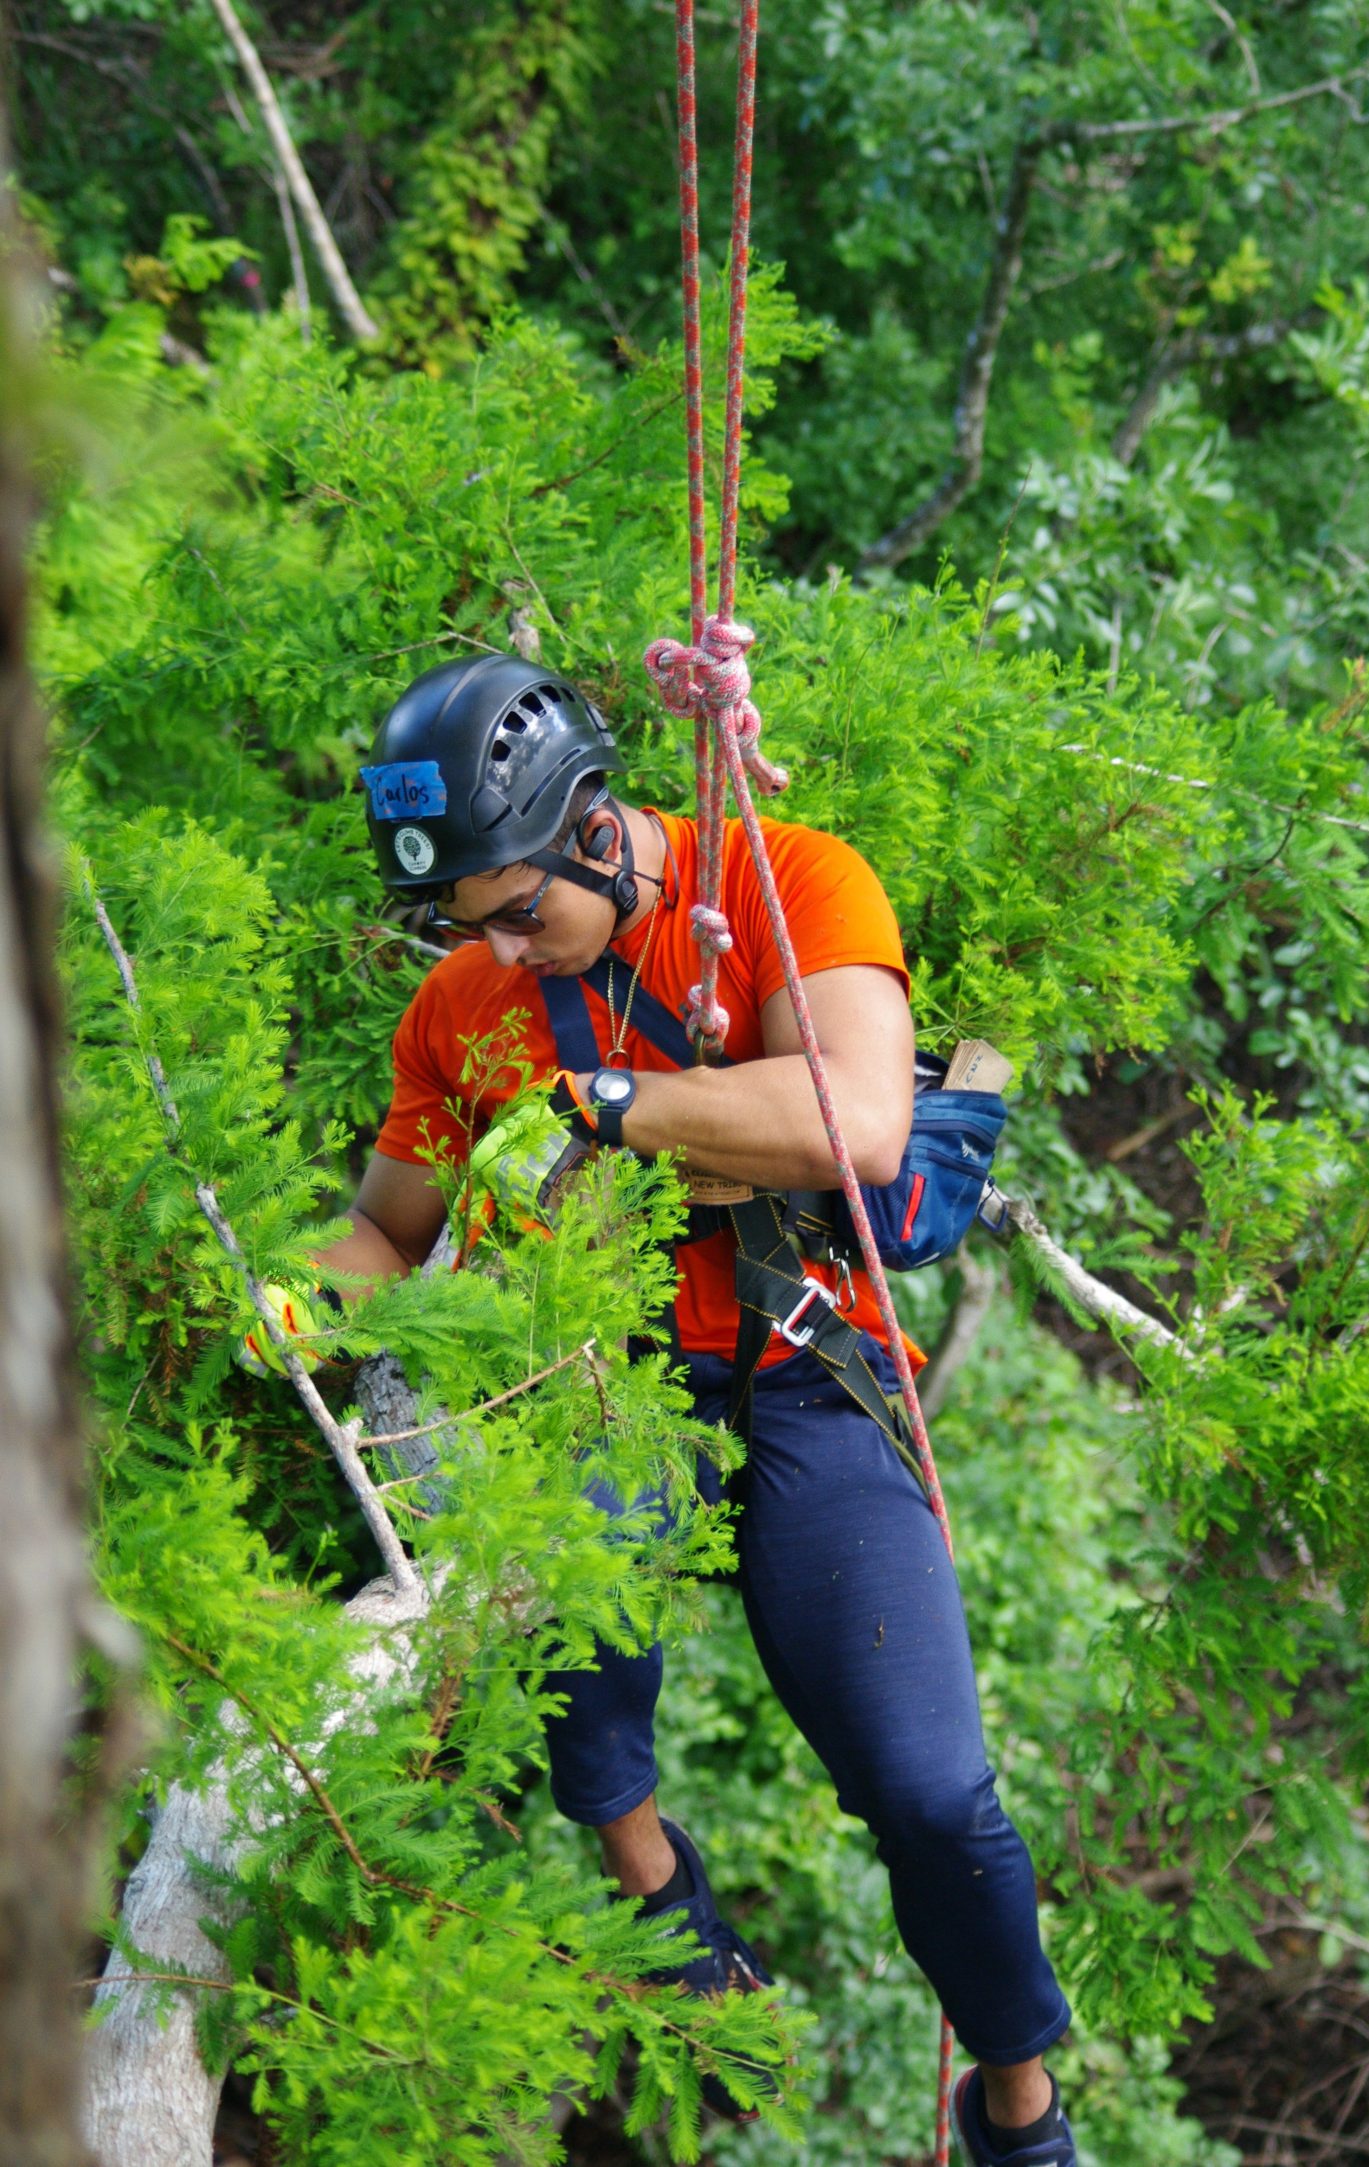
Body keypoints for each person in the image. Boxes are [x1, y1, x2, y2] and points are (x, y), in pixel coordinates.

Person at [307, 652, 1074, 2163]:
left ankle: (1017, 2101)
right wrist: (291, 1290)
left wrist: (600, 1105)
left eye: (519, 911)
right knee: (553, 1618)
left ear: (596, 831)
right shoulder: (463, 1006)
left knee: (933, 1794)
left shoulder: (793, 885)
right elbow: (389, 1229)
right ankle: (662, 1894)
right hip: (603, 1388)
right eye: (465, 922)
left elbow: (859, 1119)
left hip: (803, 1371)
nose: (499, 950)